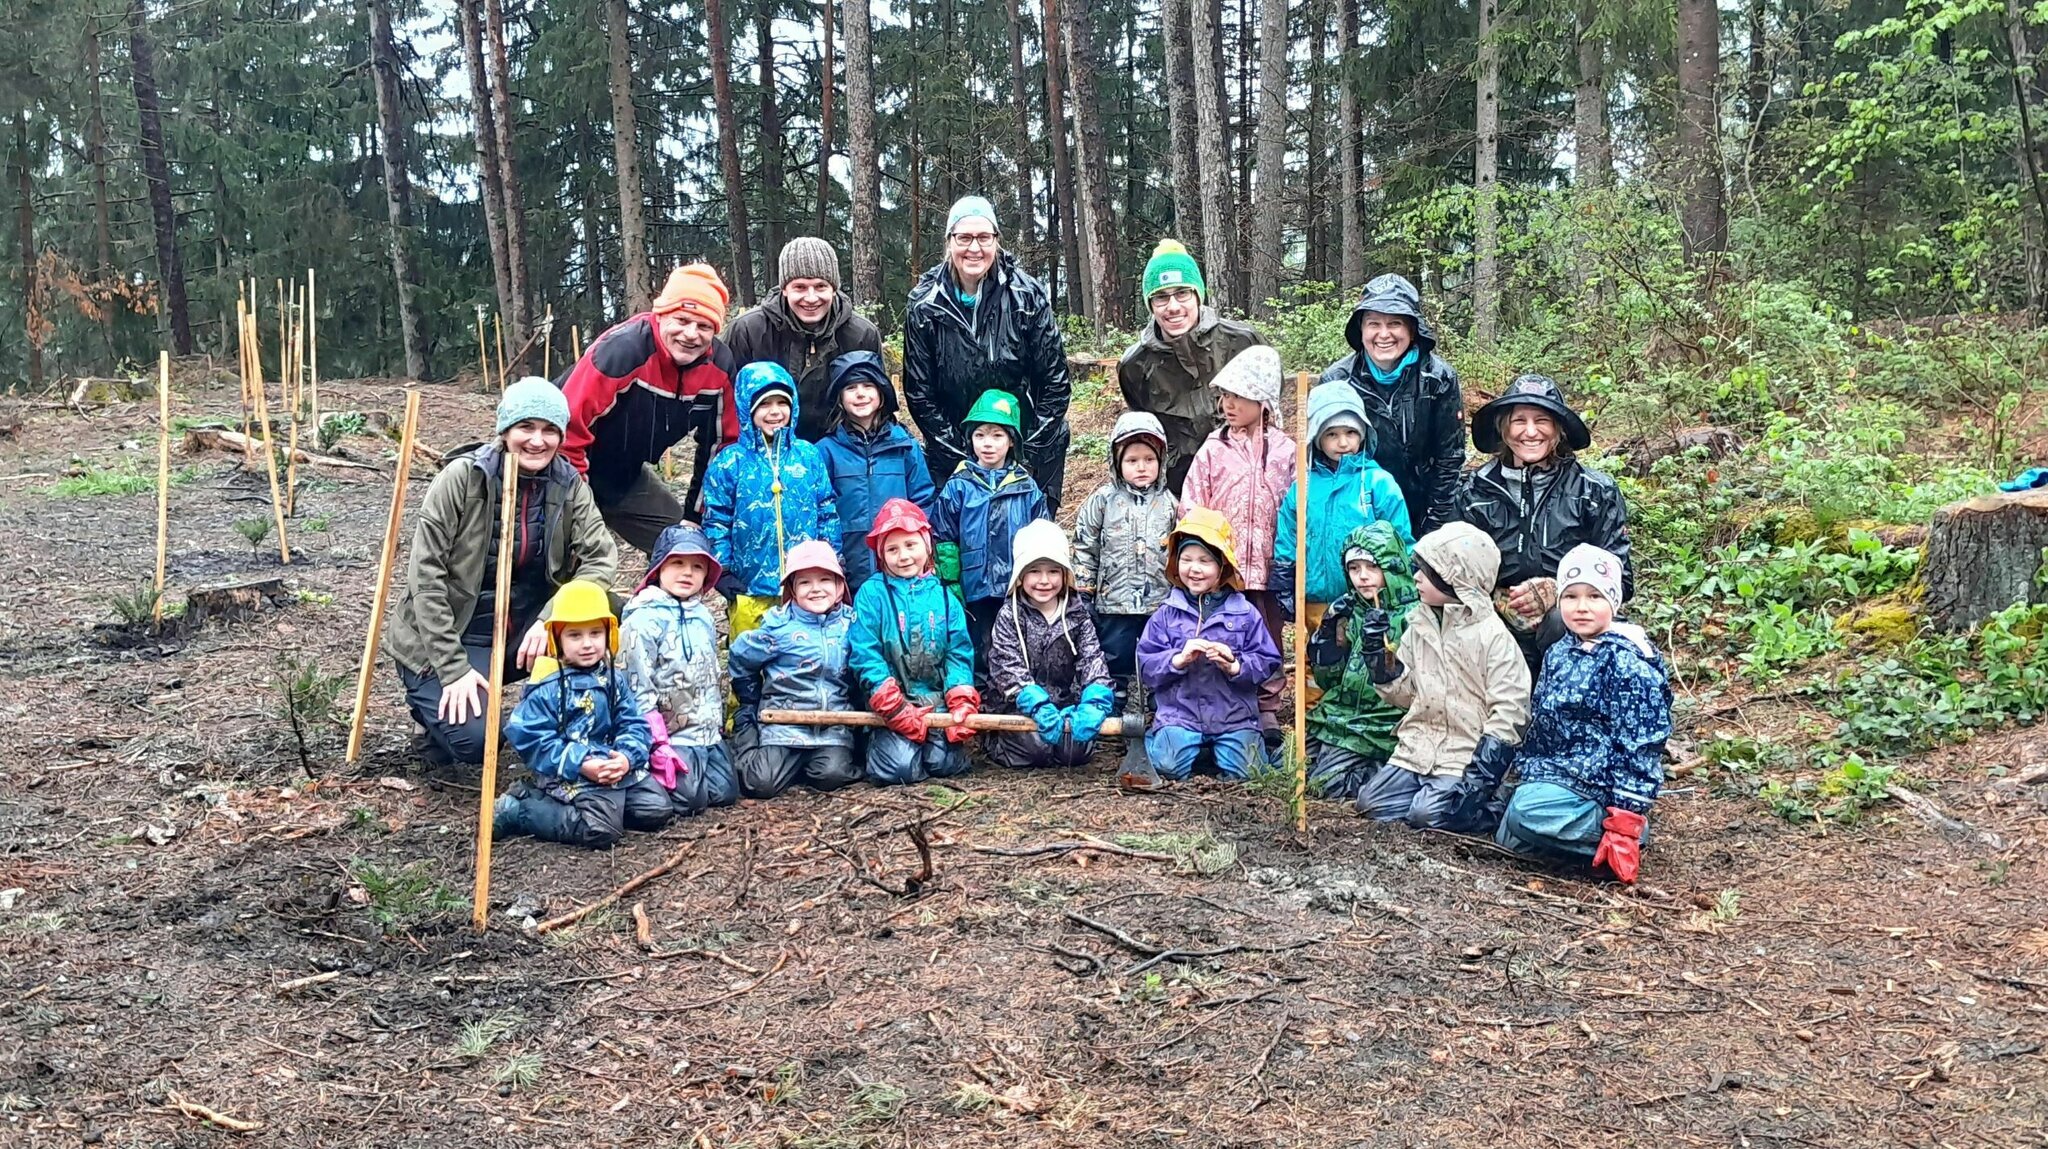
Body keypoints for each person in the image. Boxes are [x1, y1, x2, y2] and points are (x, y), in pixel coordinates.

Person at [383, 378, 618, 767]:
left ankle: (582, 709)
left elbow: (600, 558)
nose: (537, 441)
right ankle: (427, 711)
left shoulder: (568, 483)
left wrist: (553, 618)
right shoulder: (462, 478)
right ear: (505, 429)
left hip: (522, 628)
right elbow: (425, 579)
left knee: (609, 608)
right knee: (476, 743)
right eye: (526, 427)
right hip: (455, 634)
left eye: (549, 431)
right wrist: (454, 669)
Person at [1496, 545, 1670, 884]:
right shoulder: (1561, 651)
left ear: (1614, 602)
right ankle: (1574, 843)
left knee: (1525, 815)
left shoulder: (1628, 663)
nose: (1581, 608)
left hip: (1597, 781)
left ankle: (1621, 832)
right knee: (1509, 833)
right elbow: (1544, 721)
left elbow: (1640, 745)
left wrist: (1626, 814)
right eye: (1571, 597)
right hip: (1559, 770)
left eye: (1594, 597)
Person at [1354, 522, 1531, 831]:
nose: (1417, 578)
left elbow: (1511, 710)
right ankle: (1432, 795)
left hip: (1465, 753)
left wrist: (1480, 777)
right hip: (1417, 748)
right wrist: (1381, 663)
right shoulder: (1419, 623)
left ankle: (1493, 805)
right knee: (1371, 804)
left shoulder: (1492, 636)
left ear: (1456, 578)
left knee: (1427, 816)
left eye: (1428, 572)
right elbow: (1406, 695)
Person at [902, 195, 1074, 509]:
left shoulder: (1027, 297)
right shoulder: (924, 304)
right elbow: (919, 392)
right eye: (964, 237)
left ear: (996, 240)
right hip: (953, 446)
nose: (974, 248)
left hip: (1022, 441)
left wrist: (1023, 452)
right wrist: (962, 456)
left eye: (984, 237)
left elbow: (1054, 383)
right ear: (949, 241)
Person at [1454, 372, 1632, 672]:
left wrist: (1559, 590)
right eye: (1519, 420)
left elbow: (1621, 579)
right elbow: (1449, 573)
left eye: (1542, 421)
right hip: (1496, 627)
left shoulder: (1594, 491)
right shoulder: (1472, 491)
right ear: (1503, 428)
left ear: (1559, 429)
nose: (1530, 432)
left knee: (1562, 620)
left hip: (1567, 629)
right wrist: (1496, 598)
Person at [554, 263, 738, 551]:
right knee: (569, 558)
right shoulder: (622, 351)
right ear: (661, 315)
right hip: (564, 470)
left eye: (703, 326)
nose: (691, 334)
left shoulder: (720, 368)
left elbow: (721, 447)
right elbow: (566, 430)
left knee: (686, 549)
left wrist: (694, 515)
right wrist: (579, 503)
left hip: (626, 477)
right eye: (682, 320)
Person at [494, 581, 665, 849]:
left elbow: (633, 723)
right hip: (570, 772)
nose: (587, 644)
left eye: (595, 633)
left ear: (609, 634)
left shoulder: (612, 678)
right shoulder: (547, 685)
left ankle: (605, 806)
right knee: (601, 830)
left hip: (611, 767)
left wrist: (626, 758)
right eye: (575, 635)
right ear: (557, 638)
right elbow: (530, 738)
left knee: (656, 808)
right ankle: (522, 808)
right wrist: (581, 763)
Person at [1181, 346, 1296, 737]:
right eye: (1224, 396)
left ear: (1261, 400)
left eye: (1238, 397)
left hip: (1268, 565)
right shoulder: (1214, 449)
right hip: (1225, 570)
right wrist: (1203, 556)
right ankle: (1225, 700)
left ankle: (1266, 705)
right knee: (1222, 633)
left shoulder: (1285, 451)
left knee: (1267, 635)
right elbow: (1192, 505)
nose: (1227, 405)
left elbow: (1298, 506)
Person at [1137, 509, 1282, 782]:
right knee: (1167, 767)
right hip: (1180, 713)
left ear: (1222, 566)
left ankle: (1219, 749)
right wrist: (1177, 660)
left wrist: (1235, 665)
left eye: (1205, 560)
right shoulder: (1167, 614)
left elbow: (1267, 660)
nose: (1195, 568)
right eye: (1187, 559)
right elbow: (1146, 663)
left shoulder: (1245, 613)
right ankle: (1170, 741)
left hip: (1234, 716)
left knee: (1249, 773)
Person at [1318, 273, 1467, 535]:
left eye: (1395, 323)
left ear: (1412, 329)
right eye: (1373, 323)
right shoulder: (1337, 381)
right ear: (1361, 329)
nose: (1383, 334)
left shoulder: (1439, 379)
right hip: (1359, 509)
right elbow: (1323, 460)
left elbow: (1449, 459)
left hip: (1425, 507)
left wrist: (1432, 529)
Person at [702, 361, 838, 642]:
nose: (775, 412)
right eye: (764, 404)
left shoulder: (807, 456)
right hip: (749, 586)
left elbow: (826, 509)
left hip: (803, 583)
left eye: (782, 403)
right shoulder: (730, 462)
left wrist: (832, 557)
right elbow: (716, 518)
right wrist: (722, 570)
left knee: (801, 653)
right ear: (747, 409)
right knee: (750, 656)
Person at [1117, 240, 1267, 493]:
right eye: (1161, 297)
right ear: (1150, 304)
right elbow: (1143, 429)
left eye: (1182, 293)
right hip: (1177, 485)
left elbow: (1269, 407)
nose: (1173, 306)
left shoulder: (1243, 342)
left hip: (1244, 476)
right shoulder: (1135, 364)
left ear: (1198, 294)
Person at [848, 499, 981, 785]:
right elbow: (865, 654)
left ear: (927, 546)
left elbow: (958, 653)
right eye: (893, 549)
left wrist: (960, 700)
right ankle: (878, 743)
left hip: (936, 704)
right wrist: (893, 706)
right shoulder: (871, 595)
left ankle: (934, 746)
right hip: (890, 705)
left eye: (911, 545)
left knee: (943, 763)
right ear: (881, 555)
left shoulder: (946, 597)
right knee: (900, 770)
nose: (904, 556)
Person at [1271, 380, 1413, 647]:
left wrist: (1399, 585)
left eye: (1350, 432)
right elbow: (1288, 535)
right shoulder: (1304, 487)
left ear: (1363, 434)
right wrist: (1283, 577)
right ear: (1317, 438)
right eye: (1332, 434)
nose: (1343, 442)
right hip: (1314, 599)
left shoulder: (1378, 483)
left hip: (1366, 598)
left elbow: (1400, 539)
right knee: (1317, 664)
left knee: (1362, 665)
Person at [618, 524, 739, 814]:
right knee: (689, 800)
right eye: (677, 563)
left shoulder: (703, 616)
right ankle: (635, 778)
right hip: (669, 736)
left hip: (705, 733)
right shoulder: (642, 620)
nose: (687, 573)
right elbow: (636, 688)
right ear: (658, 567)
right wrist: (656, 742)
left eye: (697, 567)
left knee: (724, 793)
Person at [728, 541, 864, 798]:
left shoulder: (852, 624)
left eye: (825, 580)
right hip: (783, 725)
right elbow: (740, 654)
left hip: (832, 726)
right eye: (804, 582)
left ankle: (810, 763)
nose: (816, 589)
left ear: (839, 587)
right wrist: (750, 699)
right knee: (760, 783)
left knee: (833, 775)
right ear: (792, 589)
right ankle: (746, 735)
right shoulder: (778, 627)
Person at [929, 389, 1051, 674]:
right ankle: (978, 694)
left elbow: (1041, 538)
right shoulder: (959, 485)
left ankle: (1013, 693)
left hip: (1015, 585)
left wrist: (1034, 578)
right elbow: (944, 538)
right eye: (980, 435)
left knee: (1015, 644)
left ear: (1011, 441)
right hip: (973, 586)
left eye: (997, 435)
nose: (988, 444)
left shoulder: (1026, 487)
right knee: (974, 646)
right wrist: (951, 583)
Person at [723, 238, 885, 443]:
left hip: (841, 451)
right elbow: (726, 405)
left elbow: (878, 403)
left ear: (834, 289)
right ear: (784, 288)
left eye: (820, 286)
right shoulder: (747, 331)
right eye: (799, 287)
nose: (810, 298)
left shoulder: (862, 334)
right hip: (765, 450)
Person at [986, 520, 1118, 769]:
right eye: (1035, 571)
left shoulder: (1077, 614)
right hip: (1018, 706)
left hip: (1062, 702)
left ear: (1065, 574)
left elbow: (1092, 658)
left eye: (1053, 571)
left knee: (1076, 751)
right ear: (1021, 575)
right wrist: (1033, 701)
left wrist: (1095, 700)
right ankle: (1000, 742)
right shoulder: (1010, 614)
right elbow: (1006, 664)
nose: (1044, 580)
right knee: (1035, 749)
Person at [1072, 412, 1178, 711]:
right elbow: (1085, 545)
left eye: (1149, 459)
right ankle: (1114, 705)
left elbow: (1181, 551)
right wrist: (1084, 590)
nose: (1141, 467)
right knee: (1114, 657)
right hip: (1114, 601)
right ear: (1117, 462)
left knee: (1159, 655)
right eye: (1132, 460)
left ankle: (1160, 707)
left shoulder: (1170, 504)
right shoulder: (1103, 501)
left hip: (1159, 602)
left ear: (1161, 461)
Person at [1305, 523, 1418, 801]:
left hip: (1382, 721)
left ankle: (1379, 773)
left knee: (1326, 785)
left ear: (1391, 568)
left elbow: (1414, 688)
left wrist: (1381, 650)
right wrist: (1326, 641)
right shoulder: (1348, 609)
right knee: (1283, 764)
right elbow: (1329, 680)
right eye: (1354, 569)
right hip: (1339, 714)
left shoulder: (1414, 616)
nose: (1363, 577)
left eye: (1371, 568)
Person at [815, 351, 934, 588]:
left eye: (868, 385)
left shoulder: (905, 447)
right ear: (839, 398)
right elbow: (818, 508)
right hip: (846, 567)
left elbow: (923, 500)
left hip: (900, 564)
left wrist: (919, 551)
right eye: (851, 388)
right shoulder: (825, 451)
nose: (860, 394)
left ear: (881, 393)